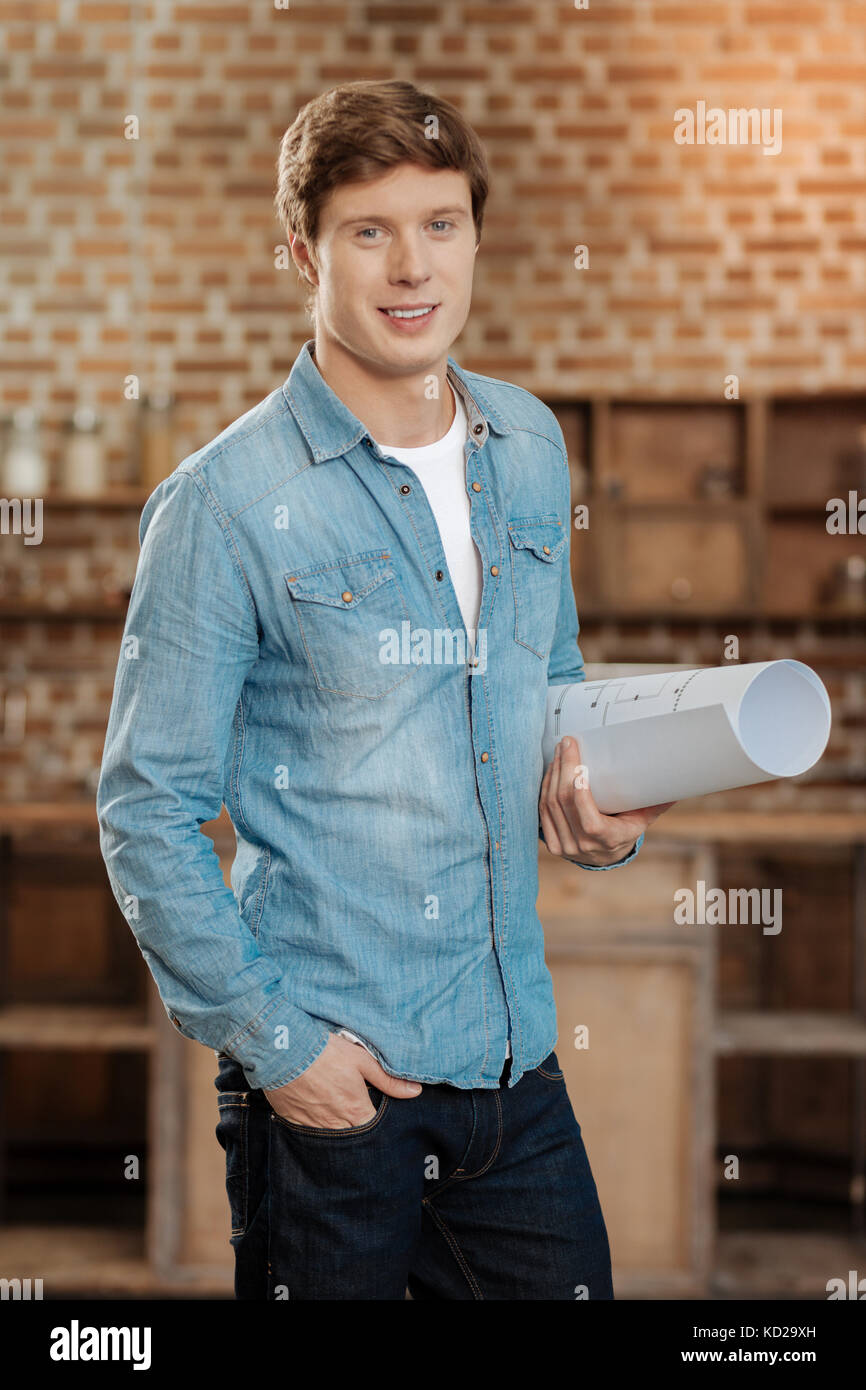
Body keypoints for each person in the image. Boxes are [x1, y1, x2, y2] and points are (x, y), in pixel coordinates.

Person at [96, 78, 674, 1301]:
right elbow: (147, 811)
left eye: (439, 224)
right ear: (301, 252)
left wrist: (595, 818)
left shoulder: (526, 443)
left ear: (474, 235)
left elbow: (546, 690)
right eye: (368, 231)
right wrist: (281, 1050)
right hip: (333, 1097)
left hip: (514, 1069)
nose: (411, 267)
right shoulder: (222, 504)